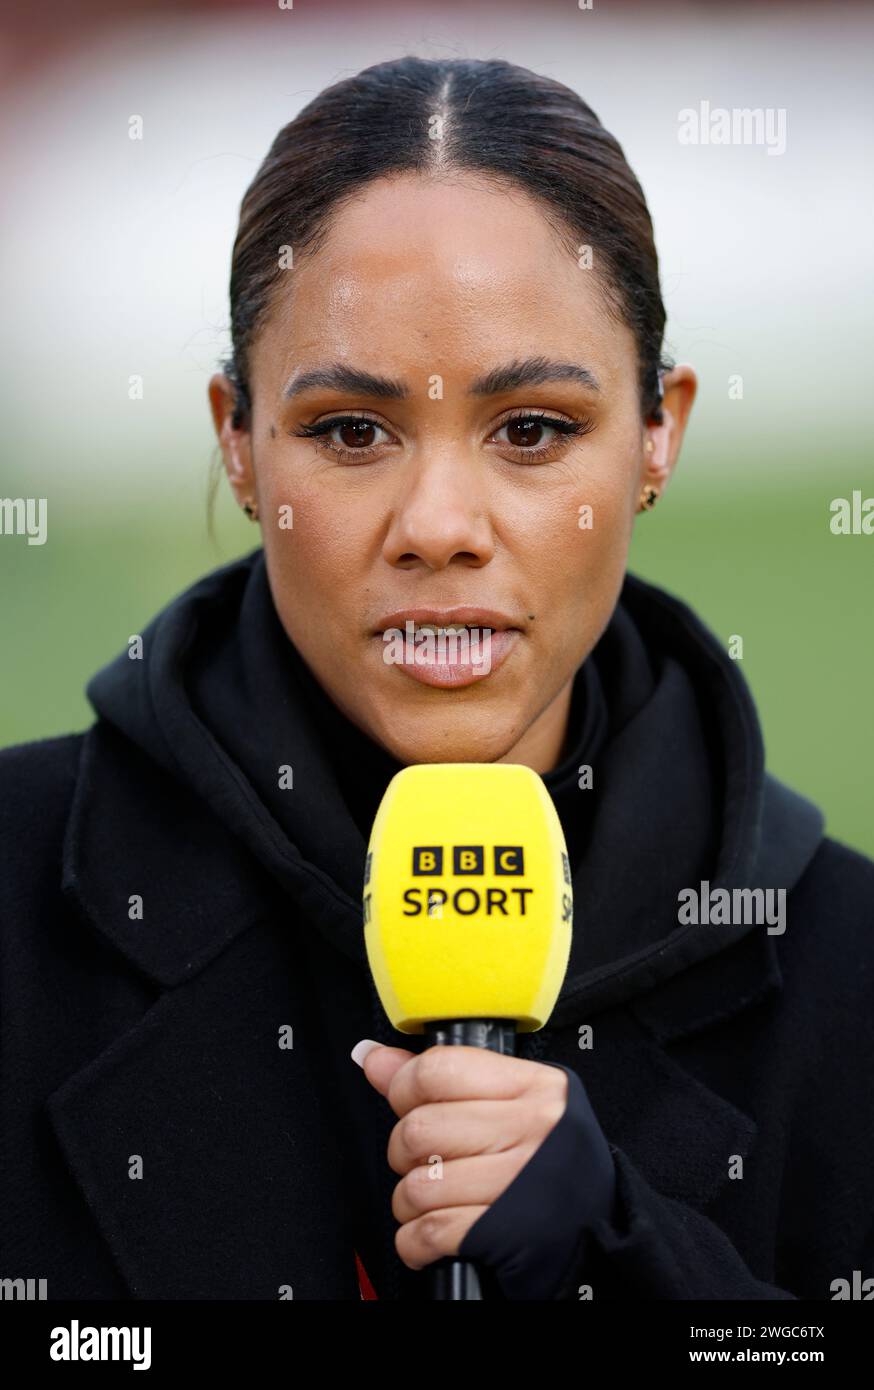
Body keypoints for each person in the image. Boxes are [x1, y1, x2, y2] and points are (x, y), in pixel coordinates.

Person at [1, 55, 872, 1302]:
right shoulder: (18, 902)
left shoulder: (849, 971)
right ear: (237, 443)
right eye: (350, 432)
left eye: (531, 430)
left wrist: (623, 1262)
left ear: (658, 432)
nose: (439, 523)